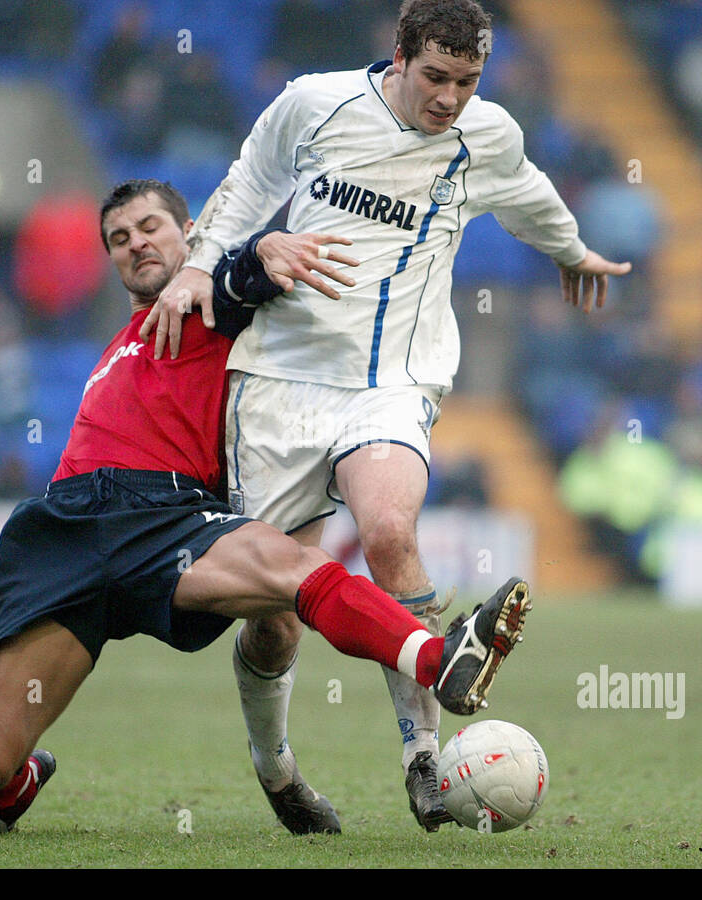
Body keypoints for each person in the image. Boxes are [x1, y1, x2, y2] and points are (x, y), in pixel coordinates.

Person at [142, 0, 626, 831]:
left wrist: (570, 247)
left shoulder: (486, 135)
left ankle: (425, 765)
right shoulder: (313, 104)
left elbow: (529, 193)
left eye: (466, 82)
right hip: (278, 384)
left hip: (392, 384)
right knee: (274, 623)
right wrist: (194, 269)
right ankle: (277, 766)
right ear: (397, 57)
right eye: (435, 77)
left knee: (390, 533)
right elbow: (246, 185)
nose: (448, 99)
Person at [0, 179, 531, 835]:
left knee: (294, 572)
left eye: (150, 227)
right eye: (119, 238)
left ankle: (441, 660)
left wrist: (265, 249)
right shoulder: (125, 338)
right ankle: (14, 786)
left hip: (164, 516)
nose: (136, 243)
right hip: (63, 530)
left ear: (190, 231)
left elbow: (245, 275)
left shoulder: (209, 301)